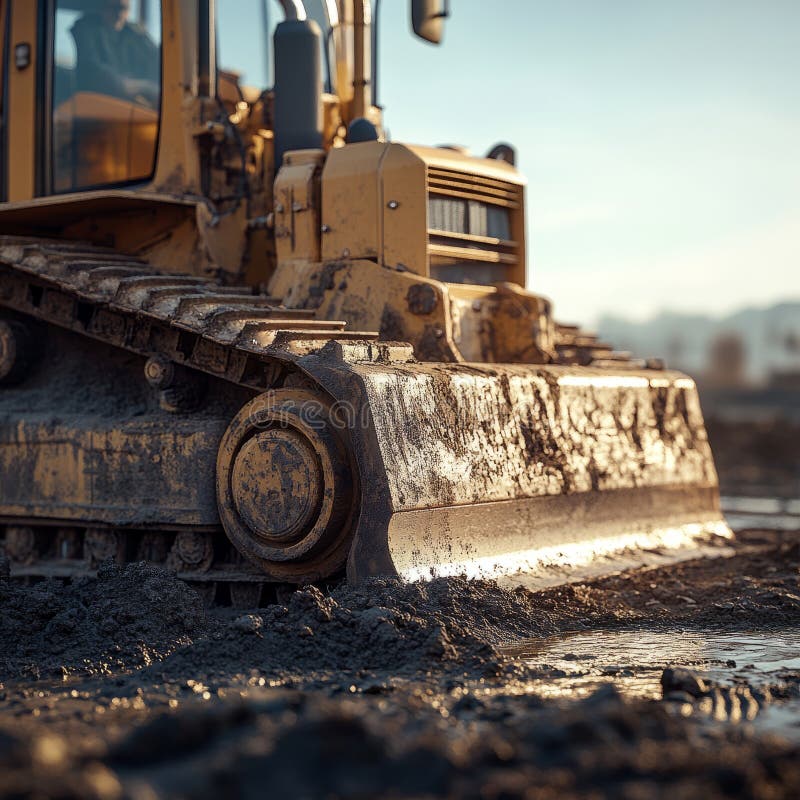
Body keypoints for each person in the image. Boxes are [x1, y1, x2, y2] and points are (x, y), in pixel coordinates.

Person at [71, 0, 160, 106]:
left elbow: (158, 64)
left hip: (137, 109)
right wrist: (134, 86)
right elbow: (91, 71)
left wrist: (148, 88)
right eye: (113, 7)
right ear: (103, 7)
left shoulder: (137, 34)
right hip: (94, 107)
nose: (119, 13)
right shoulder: (86, 28)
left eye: (124, 8)